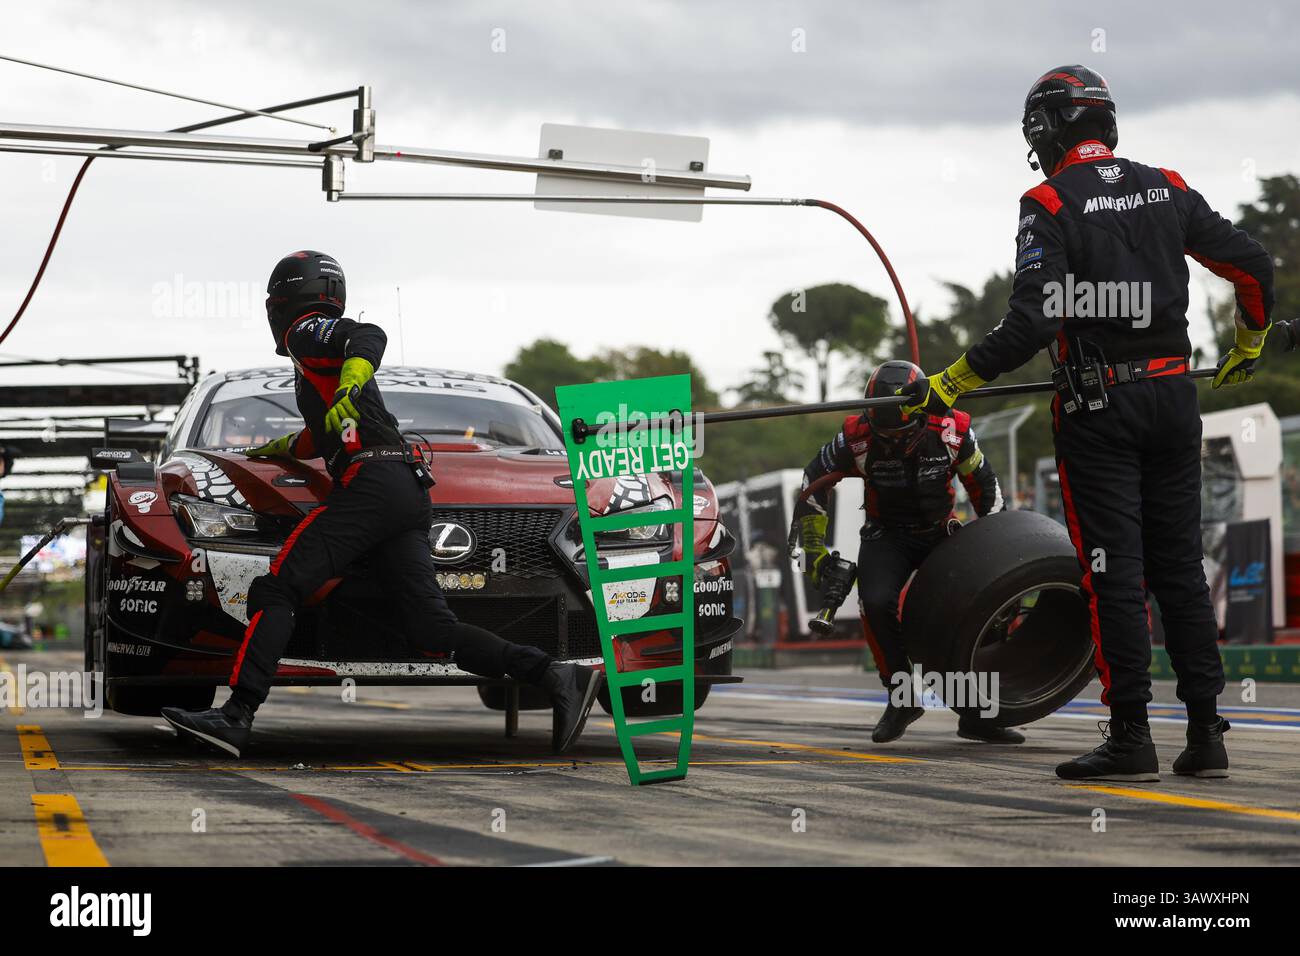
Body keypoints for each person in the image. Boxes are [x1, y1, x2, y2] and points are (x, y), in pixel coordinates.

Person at [899, 66, 1274, 781]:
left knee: (1113, 575)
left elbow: (1034, 319)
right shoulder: (1166, 183)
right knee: (1180, 571)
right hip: (1173, 400)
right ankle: (1206, 733)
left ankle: (1130, 734)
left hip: (1100, 412)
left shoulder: (1048, 199)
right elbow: (1253, 267)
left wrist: (949, 384)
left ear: (1046, 131)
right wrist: (1249, 343)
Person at [162, 251, 604, 756]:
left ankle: (236, 715)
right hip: (404, 489)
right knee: (430, 628)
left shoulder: (306, 331)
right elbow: (331, 429)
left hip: (371, 484)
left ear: (282, 301)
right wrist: (279, 448)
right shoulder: (319, 363)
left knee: (277, 589)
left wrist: (352, 377)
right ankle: (554, 674)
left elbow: (369, 335)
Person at [791, 360, 1014, 744]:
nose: (893, 442)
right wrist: (814, 552)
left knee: (986, 603)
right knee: (874, 602)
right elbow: (812, 484)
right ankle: (901, 698)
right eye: (884, 434)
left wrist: (1001, 548)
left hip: (942, 532)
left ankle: (979, 713)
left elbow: (985, 486)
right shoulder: (854, 436)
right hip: (886, 535)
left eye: (901, 434)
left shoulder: (953, 427)